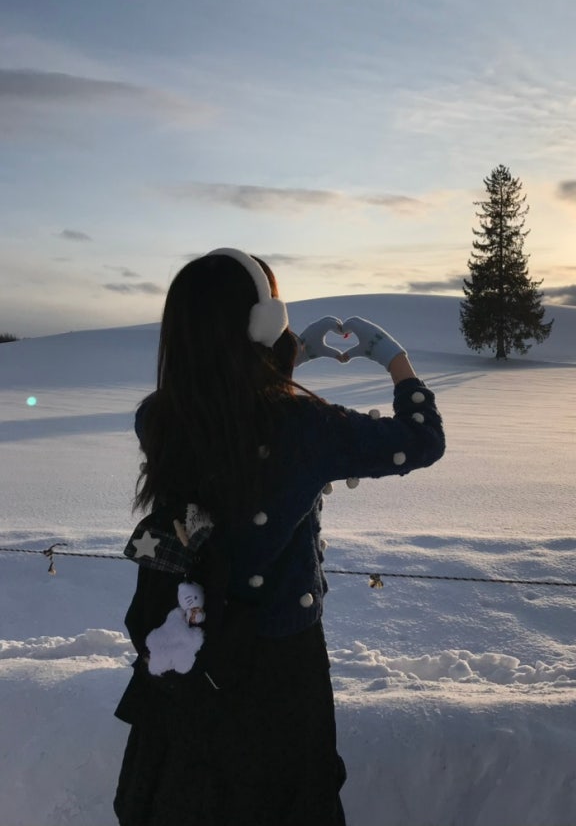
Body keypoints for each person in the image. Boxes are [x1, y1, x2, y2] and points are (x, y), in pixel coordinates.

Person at [113, 248, 445, 826]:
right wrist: (393, 358)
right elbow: (421, 440)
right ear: (264, 324)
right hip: (280, 668)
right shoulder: (306, 429)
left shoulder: (158, 418)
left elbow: (235, 419)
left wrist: (288, 360)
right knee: (291, 798)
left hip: (191, 655)